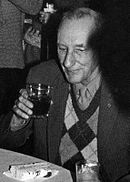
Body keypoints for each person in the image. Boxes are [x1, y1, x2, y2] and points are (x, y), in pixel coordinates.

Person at [0, 7, 130, 182]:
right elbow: (7, 142)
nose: (67, 62)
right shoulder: (42, 77)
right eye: (62, 48)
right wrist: (17, 122)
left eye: (79, 50)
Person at [0, 0, 43, 114]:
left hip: (8, 60)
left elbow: (34, 6)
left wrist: (23, 33)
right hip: (8, 60)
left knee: (7, 120)